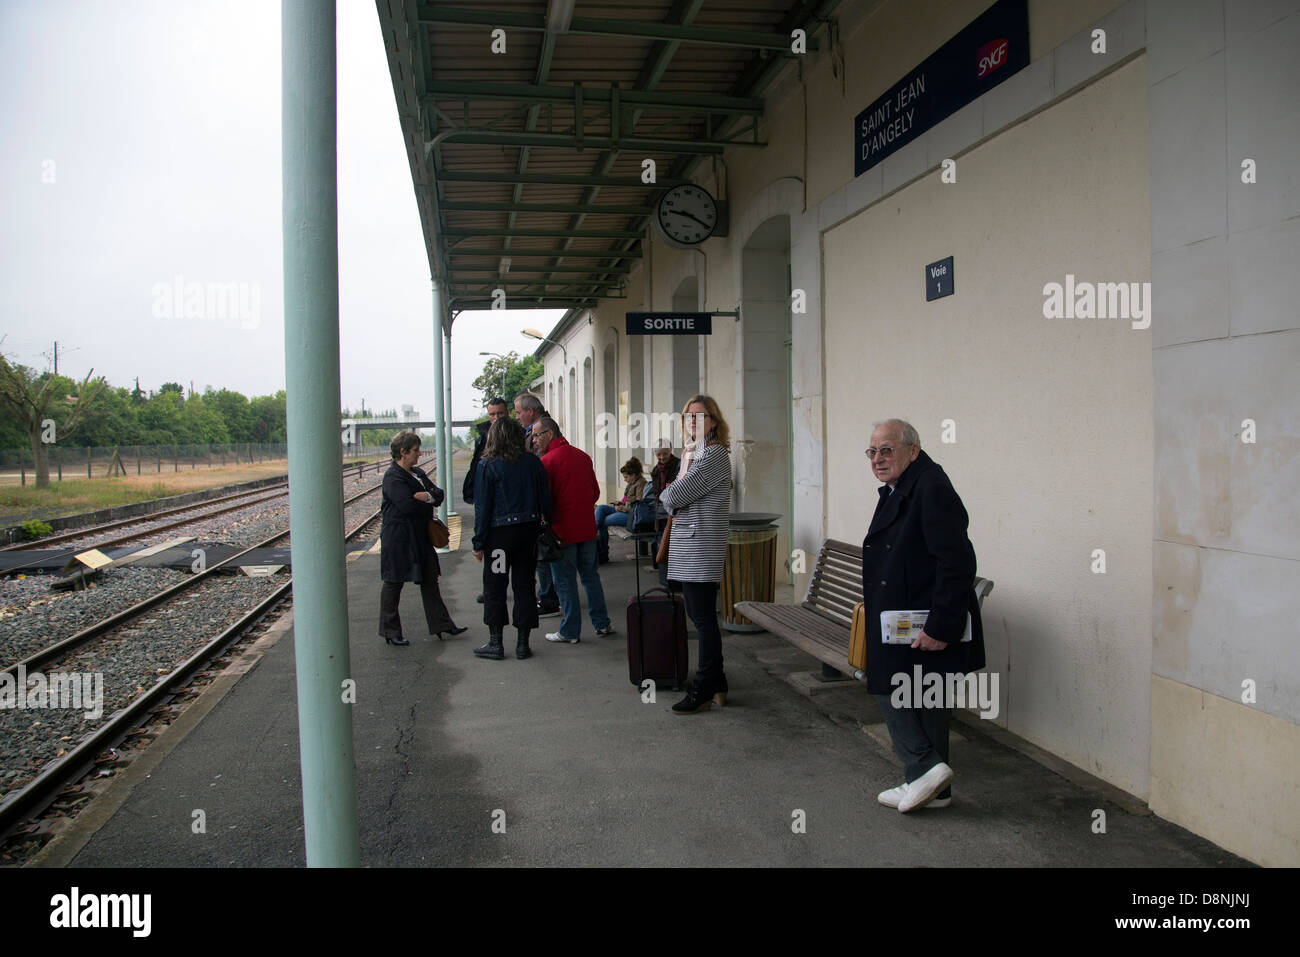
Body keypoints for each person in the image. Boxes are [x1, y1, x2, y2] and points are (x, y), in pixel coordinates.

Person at [861, 418, 984, 813]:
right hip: (905, 616)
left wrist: (941, 625)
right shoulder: (905, 485)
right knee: (923, 697)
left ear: (913, 450)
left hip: (926, 618)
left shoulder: (930, 487)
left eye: (887, 450)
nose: (879, 459)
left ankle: (924, 767)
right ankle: (932, 788)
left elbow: (957, 561)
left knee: (887, 684)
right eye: (873, 452)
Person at [659, 395, 732, 714]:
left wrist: (668, 495)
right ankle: (717, 681)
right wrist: (672, 496)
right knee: (701, 618)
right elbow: (677, 497)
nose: (693, 421)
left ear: (714, 422)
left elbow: (674, 495)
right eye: (689, 416)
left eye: (701, 417)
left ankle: (704, 685)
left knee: (703, 620)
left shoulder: (712, 455)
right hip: (692, 544)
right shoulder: (694, 454)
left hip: (701, 545)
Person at [471, 416, 551, 661]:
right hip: (527, 536)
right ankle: (522, 644)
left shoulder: (487, 465)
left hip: (498, 540)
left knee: (495, 587)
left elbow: (482, 508)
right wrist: (545, 527)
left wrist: (478, 542)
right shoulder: (532, 463)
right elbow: (545, 500)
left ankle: (496, 643)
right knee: (524, 585)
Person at [379, 430, 467, 646]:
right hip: (398, 538)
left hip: (419, 536)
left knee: (429, 579)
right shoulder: (393, 477)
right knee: (394, 582)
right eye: (416, 451)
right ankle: (391, 631)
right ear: (403, 452)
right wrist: (427, 501)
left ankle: (443, 624)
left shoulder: (416, 472)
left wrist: (427, 496)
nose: (419, 454)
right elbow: (406, 506)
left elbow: (439, 494)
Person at [530, 416, 615, 643]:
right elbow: (595, 494)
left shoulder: (547, 462)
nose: (533, 440)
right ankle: (602, 623)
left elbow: (544, 502)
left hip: (561, 533)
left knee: (565, 581)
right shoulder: (583, 456)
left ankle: (569, 631)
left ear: (549, 434)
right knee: (590, 577)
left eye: (536, 435)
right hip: (587, 529)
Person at [514, 392, 561, 619]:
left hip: (542, 505)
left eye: (519, 412)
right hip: (541, 502)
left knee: (544, 552)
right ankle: (550, 595)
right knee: (543, 554)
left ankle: (549, 597)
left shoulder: (542, 430)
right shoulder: (538, 429)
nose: (518, 416)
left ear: (530, 411)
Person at [463, 397, 509, 604]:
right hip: (488, 498)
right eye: (492, 414)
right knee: (494, 554)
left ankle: (499, 591)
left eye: (499, 413)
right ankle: (491, 589)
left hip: (507, 504)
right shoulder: (482, 437)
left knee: (505, 552)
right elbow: (476, 464)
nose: (496, 418)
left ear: (507, 413)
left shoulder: (513, 435)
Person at [594, 457, 646, 563]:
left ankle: (602, 554)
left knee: (603, 522)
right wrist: (620, 504)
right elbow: (628, 500)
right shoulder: (631, 483)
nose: (625, 480)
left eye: (626, 477)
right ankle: (594, 530)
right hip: (624, 509)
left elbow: (637, 505)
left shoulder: (641, 484)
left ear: (633, 475)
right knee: (600, 508)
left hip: (631, 515)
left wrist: (621, 507)